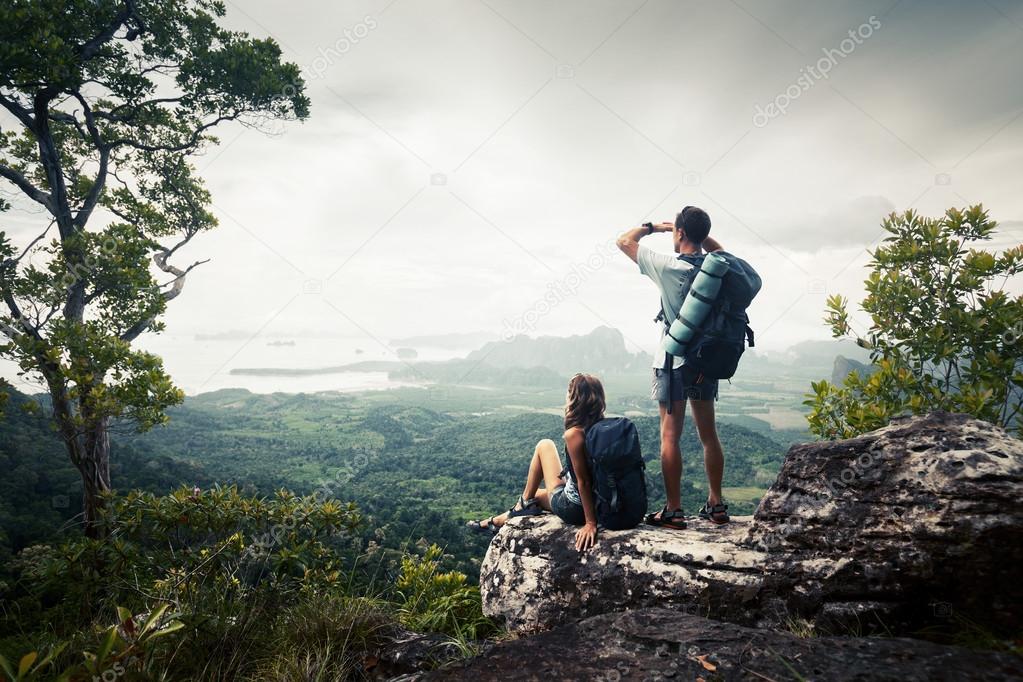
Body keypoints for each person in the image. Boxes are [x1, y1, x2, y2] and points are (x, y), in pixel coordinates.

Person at [616, 206, 730, 528]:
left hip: (673, 362)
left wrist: (656, 227)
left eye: (677, 231)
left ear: (680, 233)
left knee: (670, 437)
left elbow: (624, 241)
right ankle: (717, 504)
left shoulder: (667, 266)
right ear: (702, 234)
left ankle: (674, 510)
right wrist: (694, 231)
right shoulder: (716, 266)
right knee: (709, 435)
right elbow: (722, 251)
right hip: (706, 362)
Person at [467, 373, 604, 551]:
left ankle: (515, 509)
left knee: (544, 445)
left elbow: (583, 482)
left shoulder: (575, 434)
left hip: (576, 508)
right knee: (536, 497)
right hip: (603, 503)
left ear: (574, 399)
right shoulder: (603, 429)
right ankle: (500, 518)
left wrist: (590, 523)